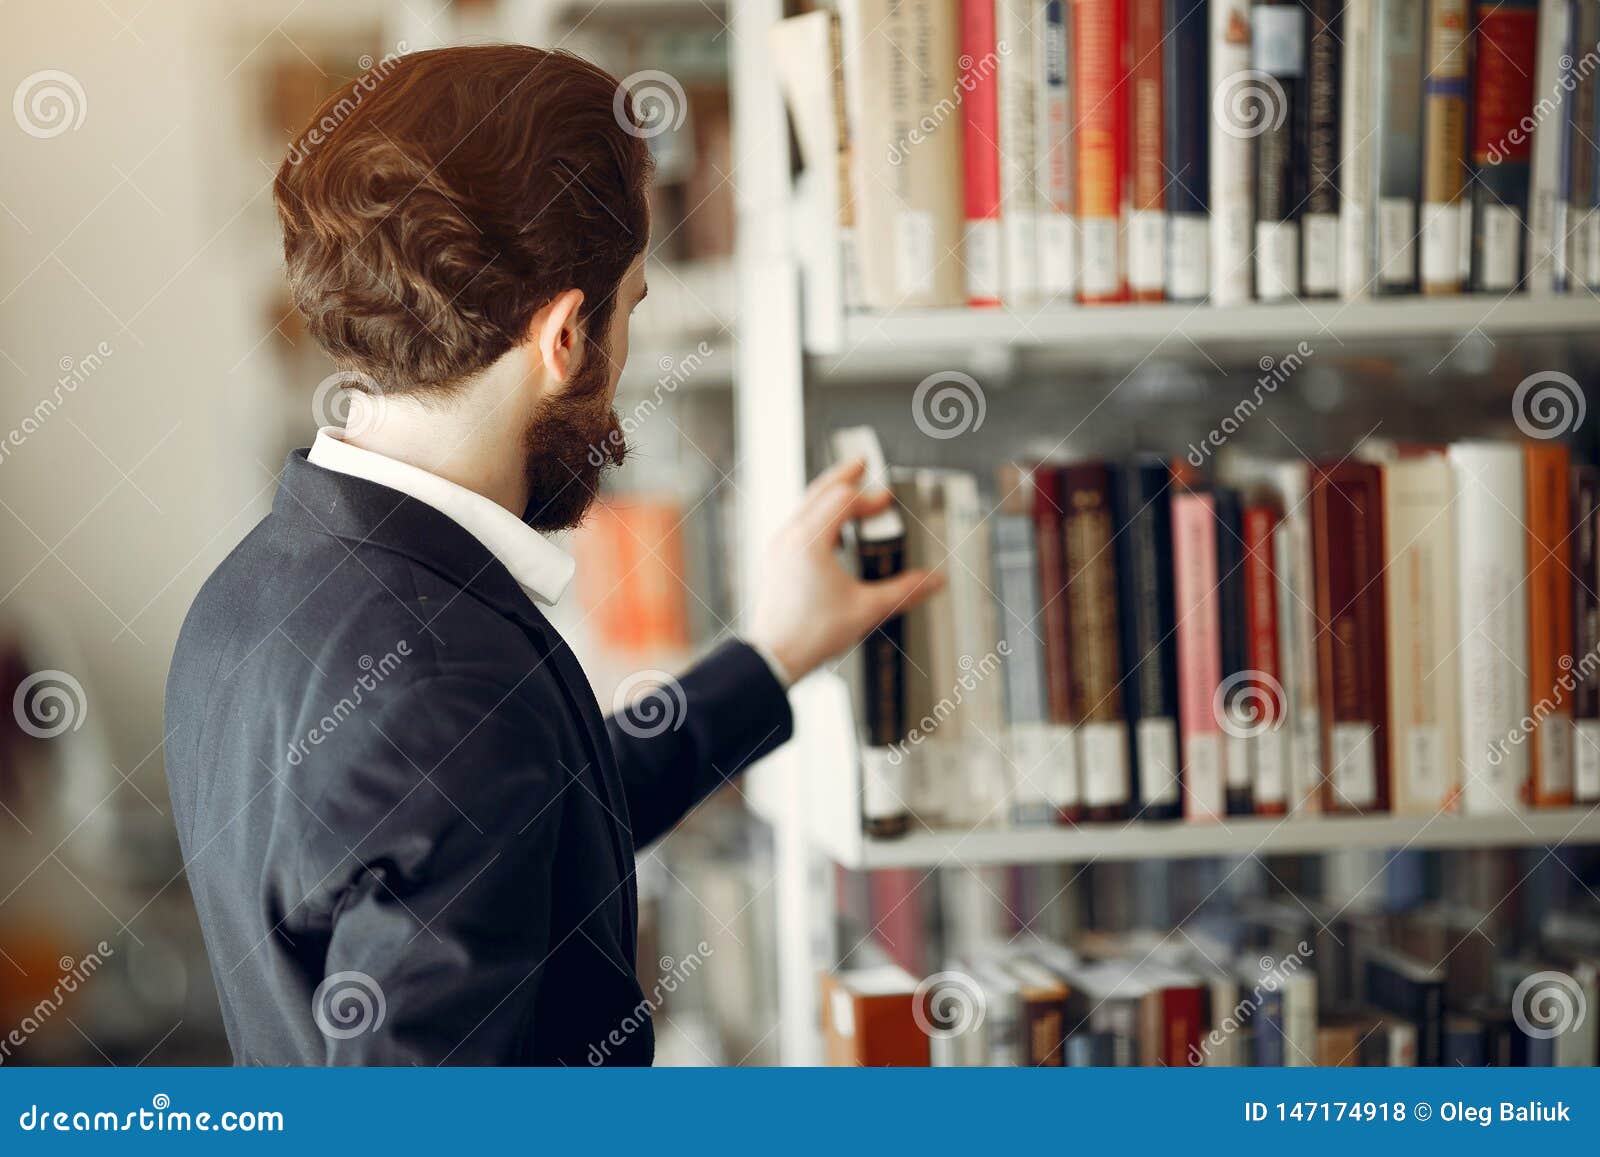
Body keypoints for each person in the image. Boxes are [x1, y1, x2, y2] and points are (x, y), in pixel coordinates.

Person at [163, 44, 938, 1066]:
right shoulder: (440, 683)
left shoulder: (254, 589)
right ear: (566, 334)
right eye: (634, 308)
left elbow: (521, 818)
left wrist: (771, 655)